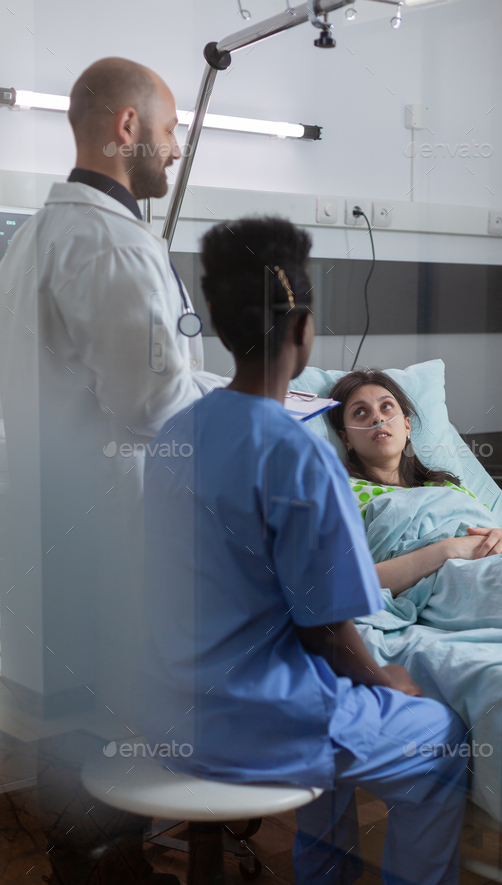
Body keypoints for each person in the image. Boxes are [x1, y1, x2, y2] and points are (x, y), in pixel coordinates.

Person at [138, 217, 468, 885]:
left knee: (340, 716)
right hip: (260, 719)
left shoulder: (177, 432)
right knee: (442, 737)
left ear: (222, 328)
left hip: (171, 705)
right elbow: (324, 626)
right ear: (304, 327)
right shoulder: (297, 451)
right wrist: (384, 679)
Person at [0, 57, 223, 884]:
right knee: (114, 734)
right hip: (107, 529)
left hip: (45, 521)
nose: (173, 148)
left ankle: (98, 864)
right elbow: (152, 407)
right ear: (126, 128)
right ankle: (107, 867)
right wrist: (254, 410)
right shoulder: (115, 242)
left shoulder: (33, 236)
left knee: (77, 739)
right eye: (169, 131)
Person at [327, 370, 502, 638]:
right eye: (360, 412)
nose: (378, 417)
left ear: (406, 425)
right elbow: (346, 585)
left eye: (386, 406)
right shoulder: (339, 493)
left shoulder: (446, 486)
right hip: (454, 584)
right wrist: (450, 549)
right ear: (345, 438)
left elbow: (494, 532)